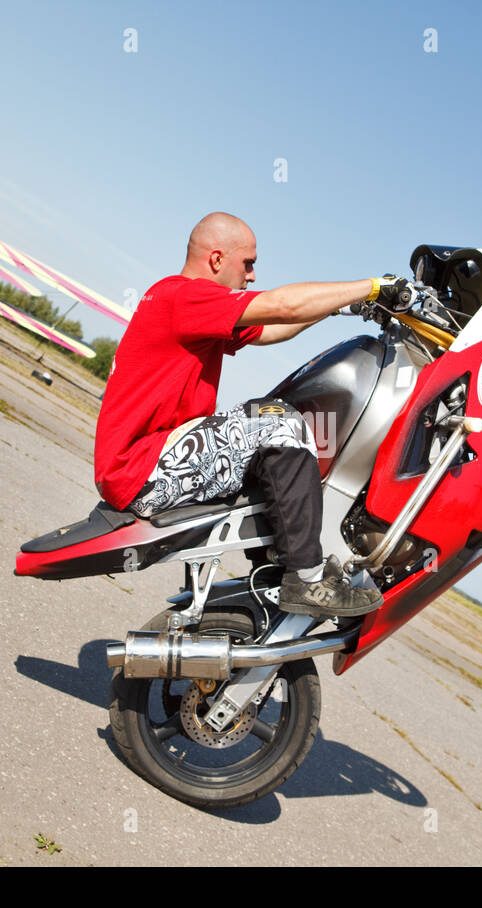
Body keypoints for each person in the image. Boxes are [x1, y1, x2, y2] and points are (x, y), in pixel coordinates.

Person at [94, 211, 411, 616]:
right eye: (248, 264)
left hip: (146, 463)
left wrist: (338, 308)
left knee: (268, 430)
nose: (252, 276)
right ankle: (307, 578)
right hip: (141, 469)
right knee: (278, 420)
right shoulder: (184, 295)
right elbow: (282, 306)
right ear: (216, 259)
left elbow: (271, 328)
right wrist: (371, 288)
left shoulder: (188, 304)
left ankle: (278, 562)